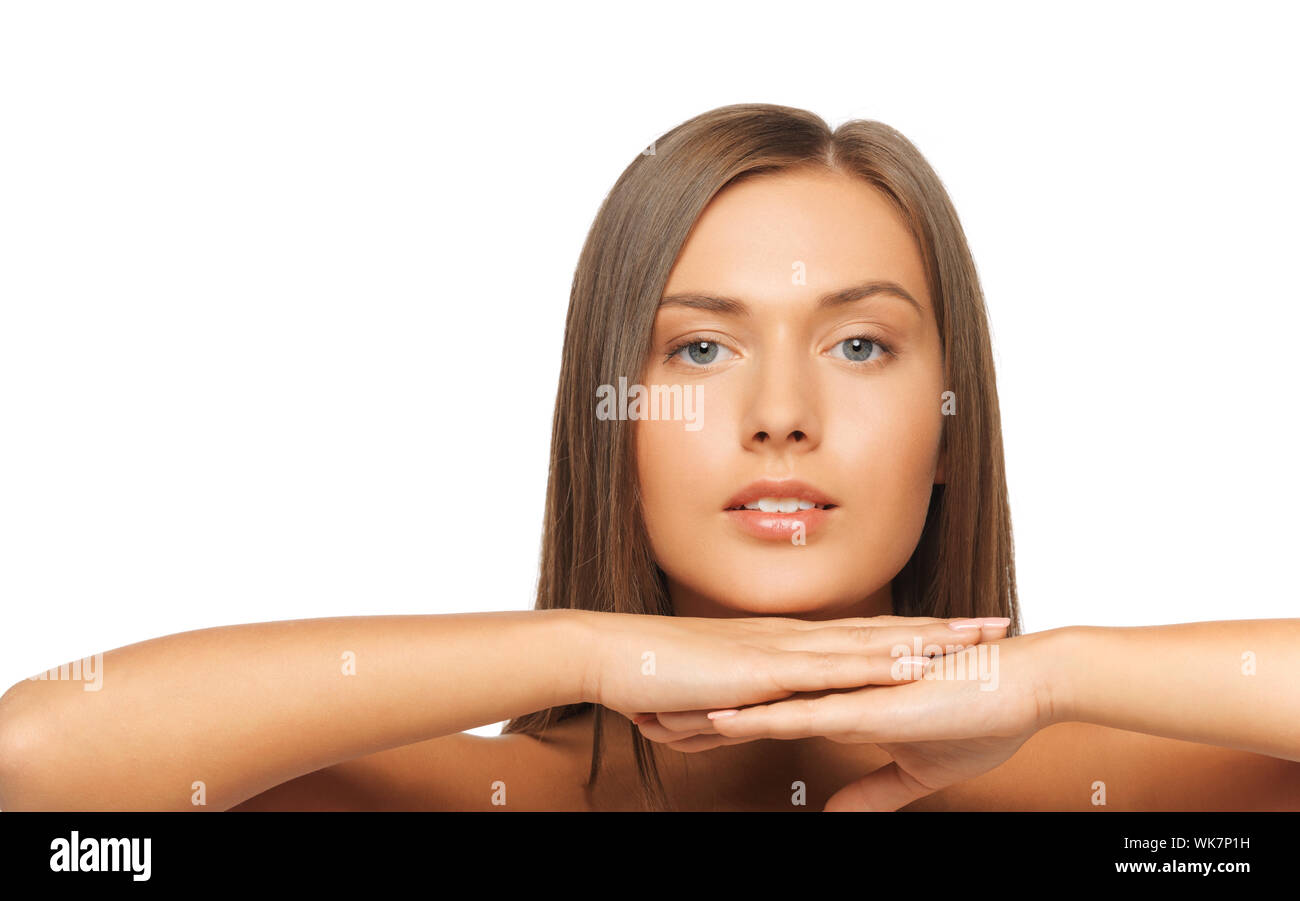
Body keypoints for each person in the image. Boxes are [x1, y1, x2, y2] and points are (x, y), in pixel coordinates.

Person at [1, 104, 1296, 812]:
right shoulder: (499, 794)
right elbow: (39, 761)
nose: (781, 414)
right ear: (609, 418)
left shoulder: (1128, 798)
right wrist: (584, 650)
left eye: (858, 346)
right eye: (696, 353)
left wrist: (1050, 673)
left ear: (952, 422)